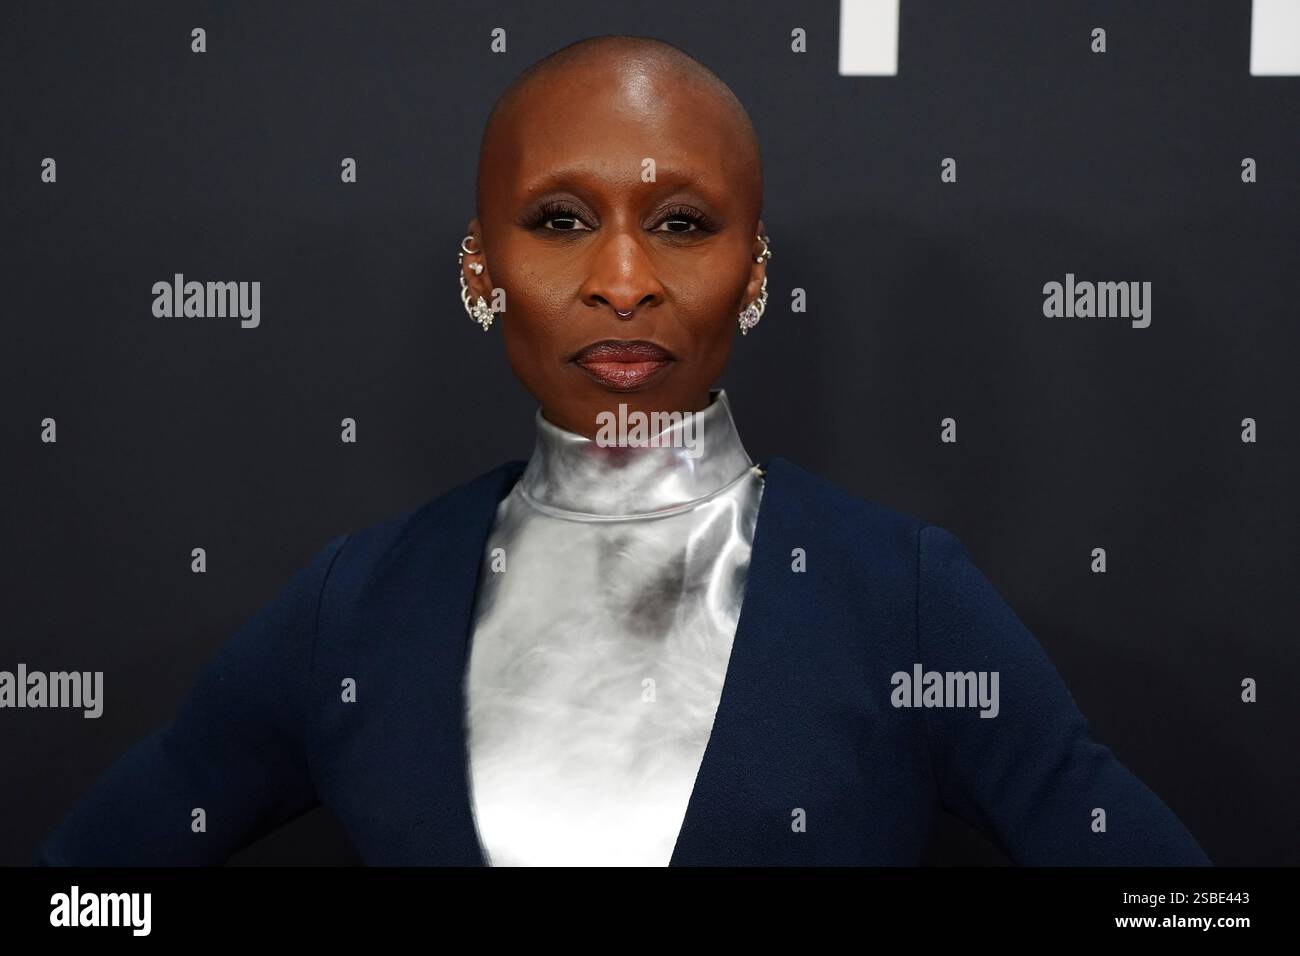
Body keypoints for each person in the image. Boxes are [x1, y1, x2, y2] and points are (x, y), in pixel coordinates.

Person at [34, 35, 1211, 867]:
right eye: (558, 220)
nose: (622, 281)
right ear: (476, 267)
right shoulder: (359, 602)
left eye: (681, 224)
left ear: (753, 272)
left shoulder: (895, 594)